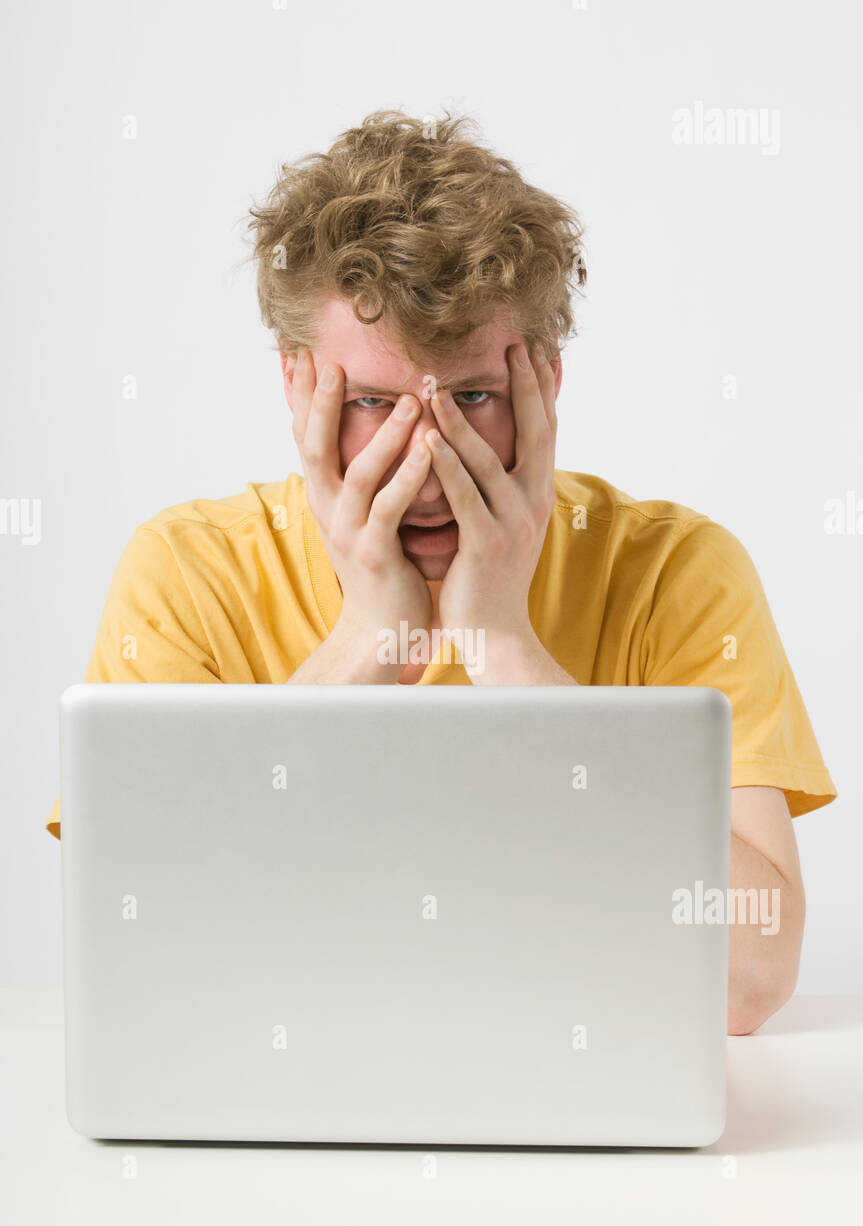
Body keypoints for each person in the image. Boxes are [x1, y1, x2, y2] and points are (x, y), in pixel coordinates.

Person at [46, 109, 836, 1035]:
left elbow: (749, 979)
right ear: (297, 382)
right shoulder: (185, 571)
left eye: (471, 399)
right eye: (373, 403)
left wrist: (506, 653)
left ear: (544, 381)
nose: (422, 463)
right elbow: (139, 952)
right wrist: (363, 647)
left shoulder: (676, 570)